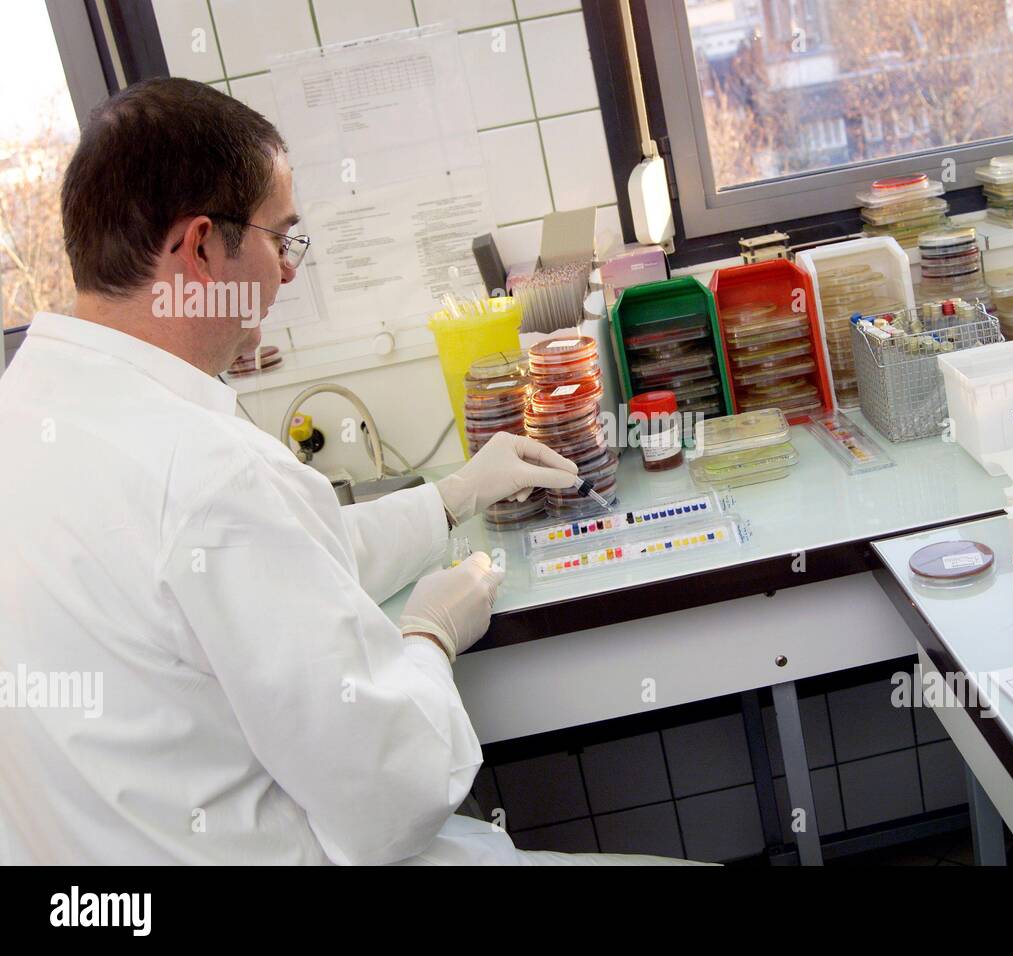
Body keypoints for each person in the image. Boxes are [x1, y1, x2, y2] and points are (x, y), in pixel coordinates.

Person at [0, 78, 698, 865]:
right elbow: (392, 790)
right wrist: (429, 637)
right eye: (281, 238)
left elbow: (273, 567)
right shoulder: (203, 471)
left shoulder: (31, 411)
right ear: (201, 248)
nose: (289, 273)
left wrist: (451, 497)